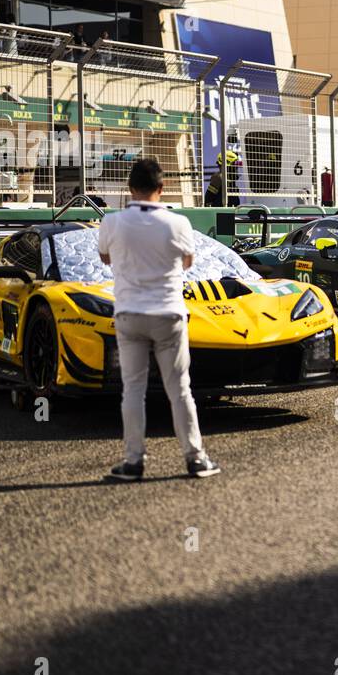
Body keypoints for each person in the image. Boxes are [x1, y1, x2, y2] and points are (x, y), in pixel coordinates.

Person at [97, 157, 220, 480]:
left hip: (129, 313)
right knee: (179, 389)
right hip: (168, 313)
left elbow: (105, 257)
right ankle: (195, 458)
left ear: (129, 189)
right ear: (162, 188)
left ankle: (134, 461)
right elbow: (189, 262)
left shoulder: (112, 222)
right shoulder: (178, 223)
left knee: (133, 390)